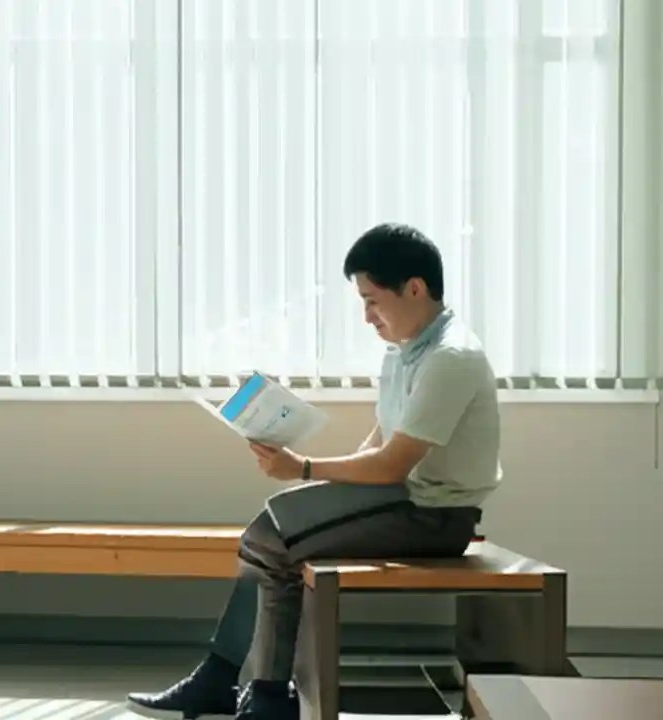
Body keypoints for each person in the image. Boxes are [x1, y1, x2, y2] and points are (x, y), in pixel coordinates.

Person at [126, 223, 502, 719]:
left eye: (372, 300)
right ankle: (252, 691)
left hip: (434, 514)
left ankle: (247, 690)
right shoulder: (407, 351)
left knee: (270, 538)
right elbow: (382, 438)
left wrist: (302, 468)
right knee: (268, 535)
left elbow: (393, 464)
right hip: (402, 500)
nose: (367, 317)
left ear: (414, 288)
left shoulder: (450, 358)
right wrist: (324, 480)